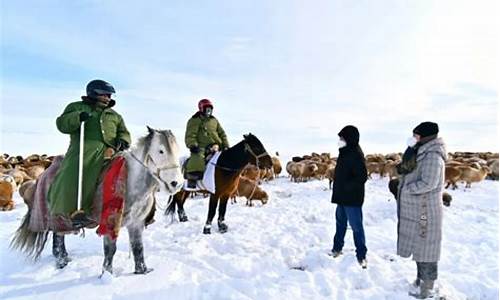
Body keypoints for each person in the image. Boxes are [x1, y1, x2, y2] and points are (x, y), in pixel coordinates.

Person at [47, 79, 131, 228]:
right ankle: (73, 212)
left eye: (109, 95)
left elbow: (123, 131)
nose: (107, 98)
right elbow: (62, 124)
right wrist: (77, 117)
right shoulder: (76, 107)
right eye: (104, 95)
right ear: (93, 93)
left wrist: (123, 140)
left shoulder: (114, 115)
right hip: (84, 150)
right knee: (75, 175)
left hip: (112, 151)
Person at [396, 121, 446, 299]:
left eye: (416, 135)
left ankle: (428, 287)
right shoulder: (421, 151)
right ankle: (420, 280)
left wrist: (407, 189)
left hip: (427, 210)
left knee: (427, 248)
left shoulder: (433, 156)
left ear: (426, 137)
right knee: (419, 247)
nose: (413, 138)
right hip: (418, 208)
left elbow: (429, 183)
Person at [330, 125, 368, 268]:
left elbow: (362, 177)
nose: (340, 140)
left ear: (349, 139)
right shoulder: (344, 152)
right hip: (342, 197)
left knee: (356, 227)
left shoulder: (356, 154)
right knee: (340, 223)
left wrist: (346, 187)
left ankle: (361, 254)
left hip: (352, 199)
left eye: (342, 138)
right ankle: (337, 248)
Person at [184, 99, 229, 188]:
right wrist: (192, 145)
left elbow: (222, 133)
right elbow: (190, 134)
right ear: (201, 109)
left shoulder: (214, 120)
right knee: (198, 159)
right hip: (202, 147)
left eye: (210, 109)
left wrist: (226, 145)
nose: (209, 111)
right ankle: (192, 179)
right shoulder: (195, 120)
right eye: (207, 109)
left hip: (217, 146)